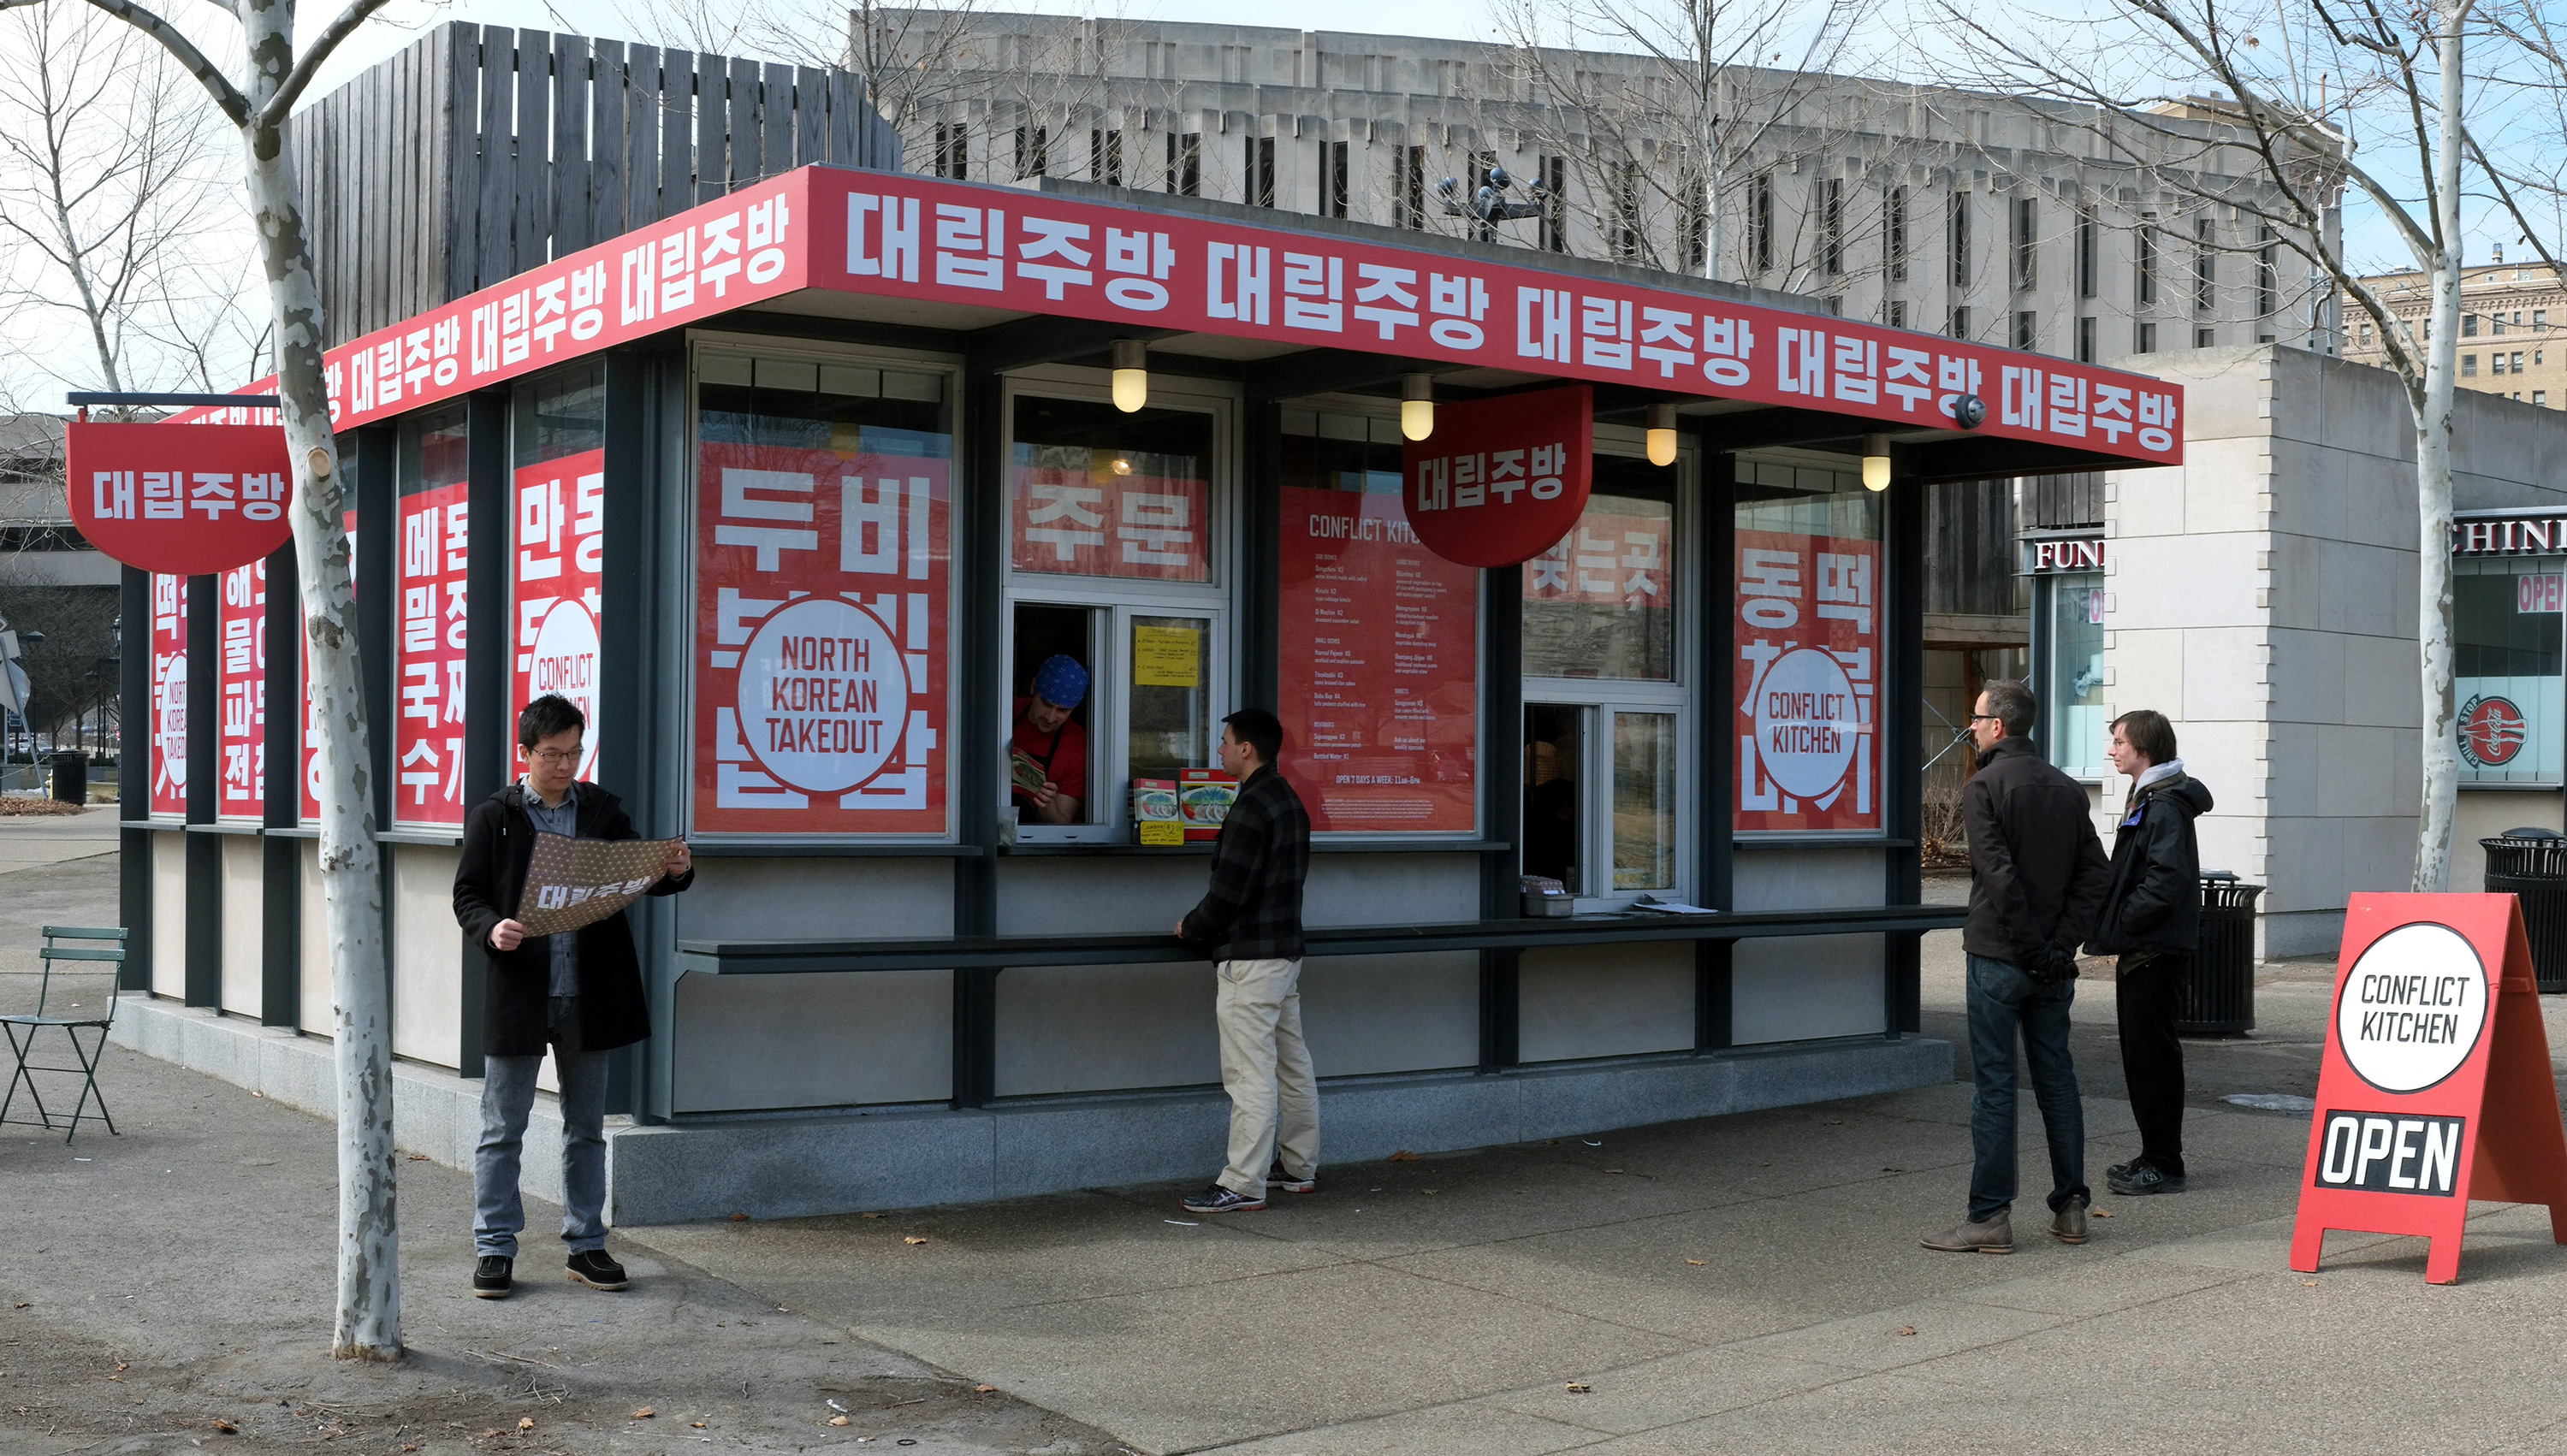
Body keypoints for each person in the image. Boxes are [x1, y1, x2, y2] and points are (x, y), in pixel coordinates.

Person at [452, 694, 693, 1299]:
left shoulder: (602, 813)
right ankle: (494, 1249)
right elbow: (468, 896)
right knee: (502, 1126)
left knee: (585, 1128)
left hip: (590, 992)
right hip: (520, 991)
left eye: (574, 752)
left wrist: (675, 870)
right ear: (525, 753)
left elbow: (644, 878)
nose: (565, 766)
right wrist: (492, 929)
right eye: (553, 754)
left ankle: (587, 1245)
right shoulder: (495, 817)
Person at [1925, 679, 2111, 1256]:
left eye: (1975, 720)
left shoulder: (1983, 786)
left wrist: (2035, 947)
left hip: (2001, 958)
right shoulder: (2066, 789)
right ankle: (2072, 1208)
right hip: (2050, 962)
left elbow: (1998, 877)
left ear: (1998, 726)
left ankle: (1989, 1217)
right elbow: (2094, 874)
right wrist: (2061, 944)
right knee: (2057, 1081)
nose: (1972, 728)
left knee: (1996, 1088)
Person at [1171, 707, 1314, 1214]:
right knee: (1292, 1064)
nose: (1221, 750)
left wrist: (1192, 926)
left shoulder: (1251, 807)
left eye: (1226, 741)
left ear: (1247, 748)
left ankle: (1242, 1182)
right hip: (1285, 955)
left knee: (1249, 1074)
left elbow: (1228, 891)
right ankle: (1298, 1167)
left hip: (1250, 960)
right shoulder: (1289, 800)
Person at [2086, 708, 2212, 1198]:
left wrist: (2124, 924)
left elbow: (2165, 882)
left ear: (2144, 749)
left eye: (2119, 742)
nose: (2111, 750)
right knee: (2144, 1059)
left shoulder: (2163, 806)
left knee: (2152, 1060)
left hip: (2153, 950)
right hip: (2149, 948)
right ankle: (2154, 1154)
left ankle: (2164, 1163)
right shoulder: (2156, 798)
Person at [1011, 654, 1090, 826]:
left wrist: (1048, 807)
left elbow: (1061, 825)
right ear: (1033, 687)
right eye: (1046, 704)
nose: (1050, 717)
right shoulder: (1006, 711)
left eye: (1063, 710)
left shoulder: (1077, 747)